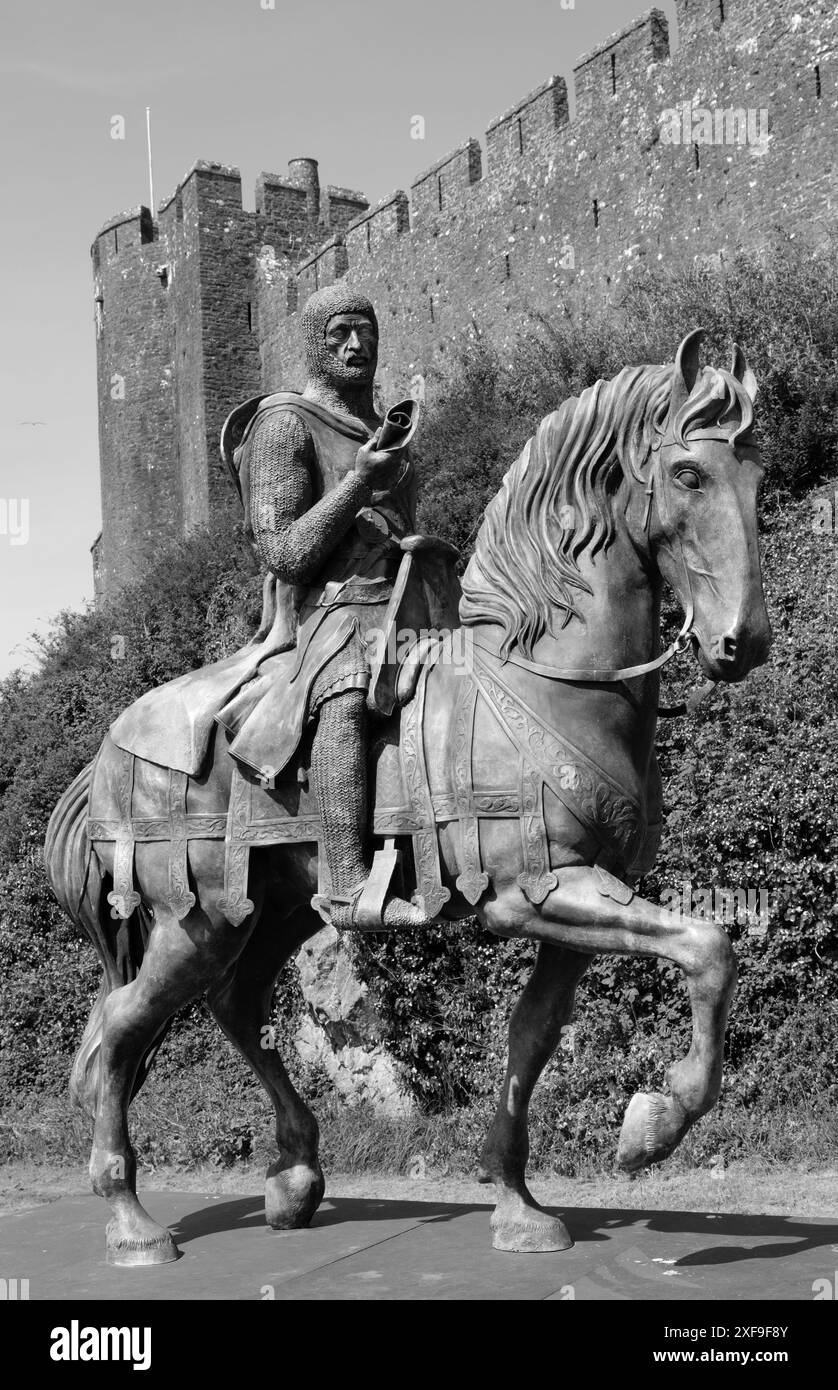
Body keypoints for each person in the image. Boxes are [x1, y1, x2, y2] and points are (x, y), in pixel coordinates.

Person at [233, 282, 438, 929]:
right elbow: (285, 553)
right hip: (331, 615)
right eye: (339, 335)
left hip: (406, 605)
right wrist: (356, 483)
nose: (356, 345)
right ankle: (347, 882)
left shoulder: (385, 433)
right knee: (349, 691)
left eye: (366, 333)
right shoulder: (283, 424)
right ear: (312, 346)